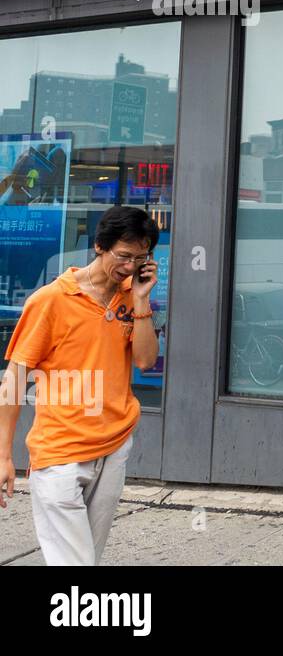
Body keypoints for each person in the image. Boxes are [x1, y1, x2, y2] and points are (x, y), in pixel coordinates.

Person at [0, 205, 160, 565]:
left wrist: (141, 299)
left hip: (114, 444)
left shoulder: (129, 297)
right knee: (76, 563)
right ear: (100, 246)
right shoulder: (50, 301)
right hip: (60, 451)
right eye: (123, 255)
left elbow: (146, 361)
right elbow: (12, 381)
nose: (130, 265)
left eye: (140, 257)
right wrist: (4, 456)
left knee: (86, 558)